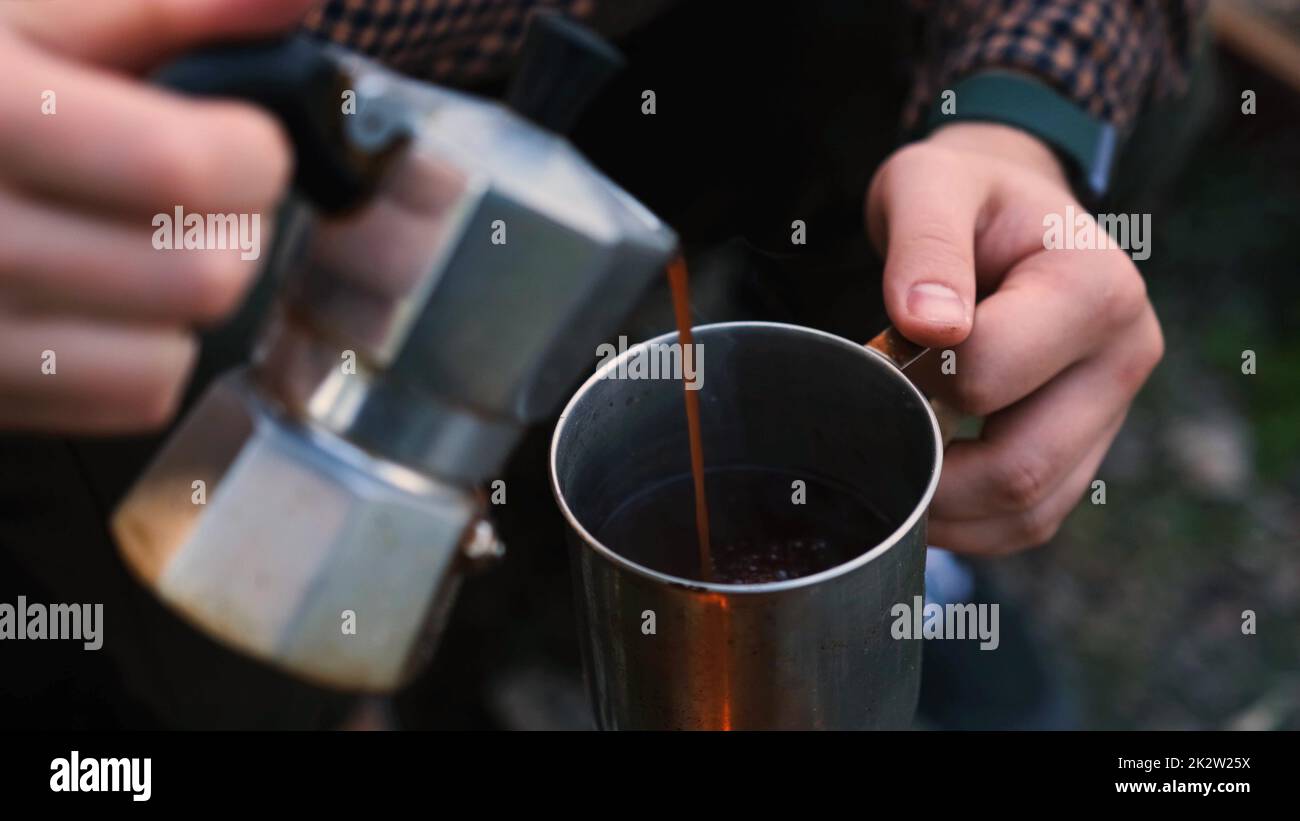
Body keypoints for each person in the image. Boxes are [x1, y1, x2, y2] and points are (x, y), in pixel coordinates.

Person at [0, 0, 1200, 728]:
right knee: (198, 668)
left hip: (692, 38)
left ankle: (905, 554)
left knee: (1011, 153)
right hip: (177, 149)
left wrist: (1013, 119)